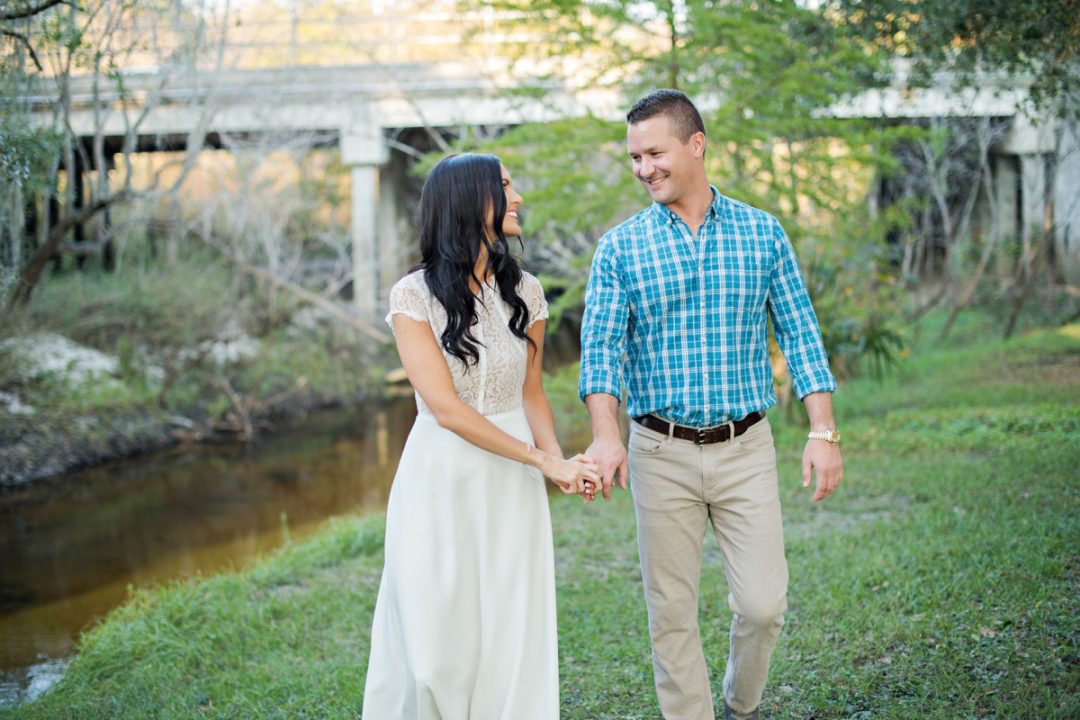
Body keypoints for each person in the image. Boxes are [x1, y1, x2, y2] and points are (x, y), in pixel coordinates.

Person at [579, 89, 844, 720]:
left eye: (654, 152)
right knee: (670, 610)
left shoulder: (762, 232)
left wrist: (823, 432)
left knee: (762, 604)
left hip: (745, 446)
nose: (644, 168)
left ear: (695, 145)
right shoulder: (620, 248)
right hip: (658, 450)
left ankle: (740, 704)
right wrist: (606, 435)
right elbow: (600, 351)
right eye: (635, 157)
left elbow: (801, 332)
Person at [362, 153, 600, 719]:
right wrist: (544, 462)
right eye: (507, 188)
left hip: (512, 482)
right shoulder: (412, 297)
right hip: (439, 476)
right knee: (432, 648)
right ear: (472, 201)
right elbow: (444, 409)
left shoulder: (529, 292)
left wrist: (559, 460)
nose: (517, 199)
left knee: (507, 627)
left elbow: (532, 394)